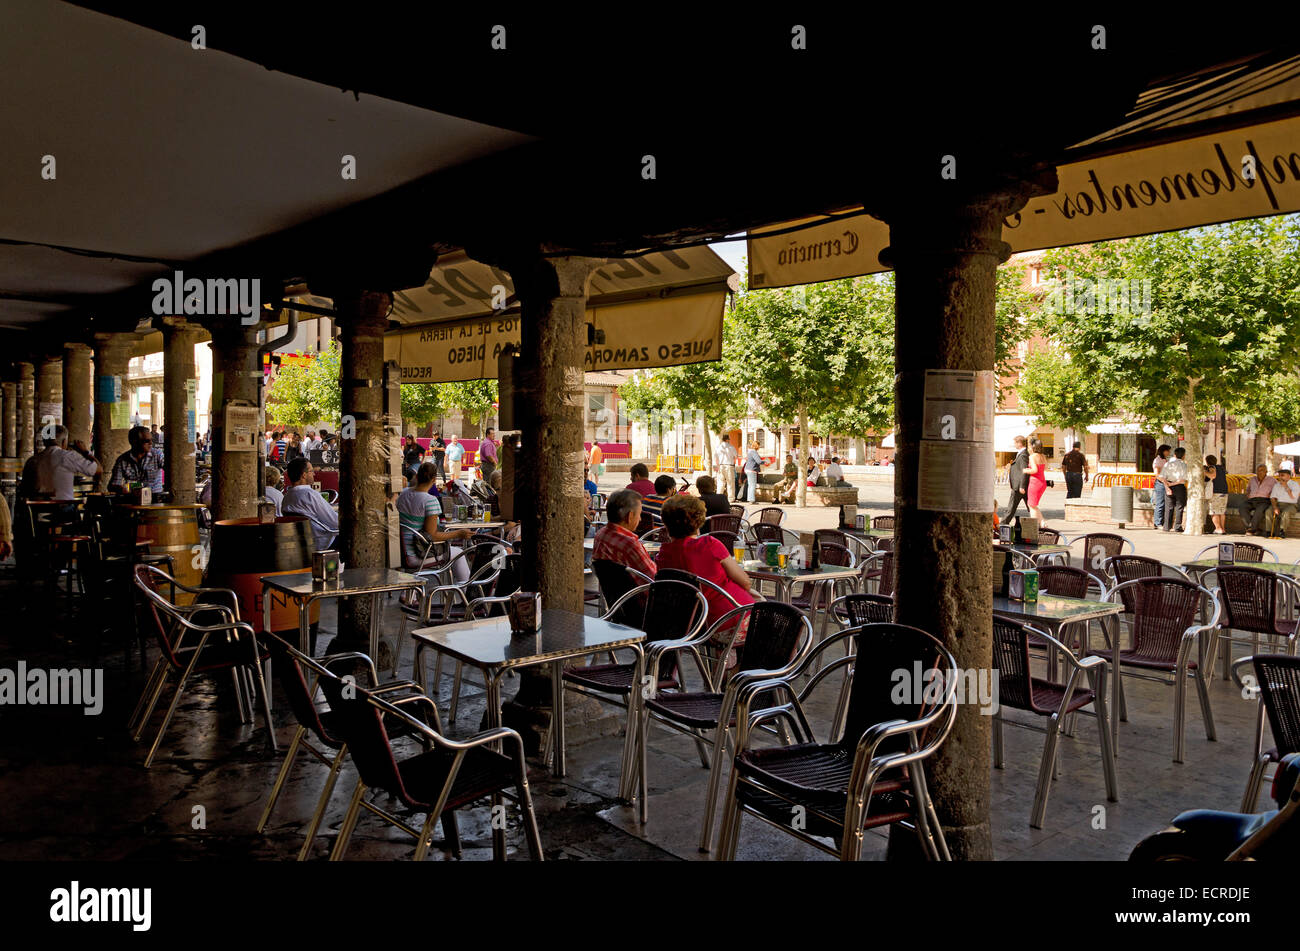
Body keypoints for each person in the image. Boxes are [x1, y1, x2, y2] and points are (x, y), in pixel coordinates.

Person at [654, 493, 756, 666]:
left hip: (695, 624)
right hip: (731, 619)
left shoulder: (663, 554)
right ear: (699, 520)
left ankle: (727, 663)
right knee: (780, 627)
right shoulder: (710, 544)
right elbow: (745, 582)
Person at [396, 462, 474, 577]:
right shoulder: (430, 501)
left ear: (417, 476)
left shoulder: (403, 494)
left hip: (399, 554)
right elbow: (432, 535)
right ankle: (466, 588)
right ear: (433, 480)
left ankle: (409, 594)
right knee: (458, 552)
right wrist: (459, 533)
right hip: (417, 555)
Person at [592, 489, 657, 579]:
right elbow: (652, 577)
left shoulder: (600, 535)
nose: (640, 519)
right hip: (639, 591)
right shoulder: (630, 544)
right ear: (630, 516)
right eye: (639, 514)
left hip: (613, 591)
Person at [281, 457, 339, 550]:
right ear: (304, 475)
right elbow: (335, 522)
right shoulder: (309, 494)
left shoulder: (287, 497)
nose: (314, 474)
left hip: (301, 543)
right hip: (323, 542)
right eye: (311, 471)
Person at [35, 425, 101, 501]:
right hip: (63, 508)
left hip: (35, 508)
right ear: (64, 441)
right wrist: (85, 452)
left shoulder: (32, 460)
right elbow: (98, 470)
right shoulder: (68, 456)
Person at [109, 426, 162, 493]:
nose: (151, 443)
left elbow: (172, 470)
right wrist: (124, 488)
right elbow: (113, 485)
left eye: (152, 440)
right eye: (146, 441)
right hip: (133, 499)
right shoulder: (122, 460)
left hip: (155, 499)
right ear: (134, 442)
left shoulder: (157, 455)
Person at [1162, 447, 1190, 532]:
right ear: (1183, 455)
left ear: (1175, 454)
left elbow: (1162, 477)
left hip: (1168, 485)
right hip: (1179, 487)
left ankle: (1166, 526)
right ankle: (1177, 526)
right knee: (1179, 507)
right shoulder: (1184, 465)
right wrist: (1173, 484)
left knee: (1168, 507)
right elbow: (1183, 479)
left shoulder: (1168, 464)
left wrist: (1167, 487)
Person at [1246, 464, 1278, 536]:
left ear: (1266, 471)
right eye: (1258, 470)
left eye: (1262, 470)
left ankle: (1251, 529)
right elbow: (1247, 490)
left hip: (1264, 500)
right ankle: (1255, 529)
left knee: (1259, 510)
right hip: (1252, 500)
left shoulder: (1272, 480)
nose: (1260, 472)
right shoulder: (1252, 479)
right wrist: (1248, 495)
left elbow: (1277, 489)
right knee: (1242, 507)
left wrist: (1272, 495)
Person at [1005, 435, 1029, 522]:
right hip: (1019, 485)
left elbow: (1024, 470)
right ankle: (1039, 524)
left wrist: (1022, 486)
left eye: (1015, 443)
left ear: (1019, 443)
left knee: (1011, 507)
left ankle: (1002, 525)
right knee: (1030, 506)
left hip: (1019, 486)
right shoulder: (1021, 454)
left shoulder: (1023, 455)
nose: (1014, 445)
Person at [1024, 437, 1048, 524]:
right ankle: (1042, 523)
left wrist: (1025, 470)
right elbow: (1045, 468)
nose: (1029, 448)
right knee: (1033, 505)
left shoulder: (1032, 457)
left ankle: (1033, 526)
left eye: (1030, 446)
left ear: (1033, 447)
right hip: (1042, 482)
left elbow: (1034, 470)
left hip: (1034, 482)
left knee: (1031, 505)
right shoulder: (1043, 456)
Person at [1270, 468, 1300, 537]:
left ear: (1288, 476)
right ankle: (1269, 532)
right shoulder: (1277, 485)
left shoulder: (1295, 484)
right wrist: (1275, 507)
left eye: (1282, 475)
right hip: (1279, 504)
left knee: (1285, 513)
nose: (1280, 477)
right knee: (1268, 511)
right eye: (1279, 475)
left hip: (1292, 505)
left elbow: (1294, 497)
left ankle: (1282, 531)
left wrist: (1286, 486)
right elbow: (1272, 497)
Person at [1205, 454, 1229, 534]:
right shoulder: (1221, 468)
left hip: (1216, 491)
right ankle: (1223, 528)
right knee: (1221, 511)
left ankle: (1218, 528)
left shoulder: (1212, 467)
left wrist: (1204, 472)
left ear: (1207, 462)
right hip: (1224, 491)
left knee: (1214, 511)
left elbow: (1213, 476)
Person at [1151, 444, 1171, 532]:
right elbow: (1157, 474)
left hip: (1165, 481)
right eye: (1168, 451)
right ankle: (1157, 522)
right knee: (1160, 502)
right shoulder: (1158, 460)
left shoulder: (1164, 460)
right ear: (1164, 451)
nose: (1169, 452)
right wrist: (1163, 481)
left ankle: (1161, 522)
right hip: (1160, 483)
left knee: (1164, 502)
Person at [714, 434, 737, 503]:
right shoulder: (731, 447)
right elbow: (735, 455)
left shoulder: (718, 447)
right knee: (730, 483)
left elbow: (715, 457)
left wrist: (715, 466)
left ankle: (718, 498)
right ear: (727, 439)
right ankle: (731, 498)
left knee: (720, 483)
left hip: (721, 466)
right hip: (729, 466)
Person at [742, 439, 764, 504]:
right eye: (759, 446)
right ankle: (751, 500)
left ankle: (750, 499)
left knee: (750, 485)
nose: (759, 447)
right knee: (752, 485)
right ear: (756, 446)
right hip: (752, 469)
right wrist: (765, 462)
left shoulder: (749, 451)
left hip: (747, 469)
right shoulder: (753, 452)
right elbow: (759, 461)